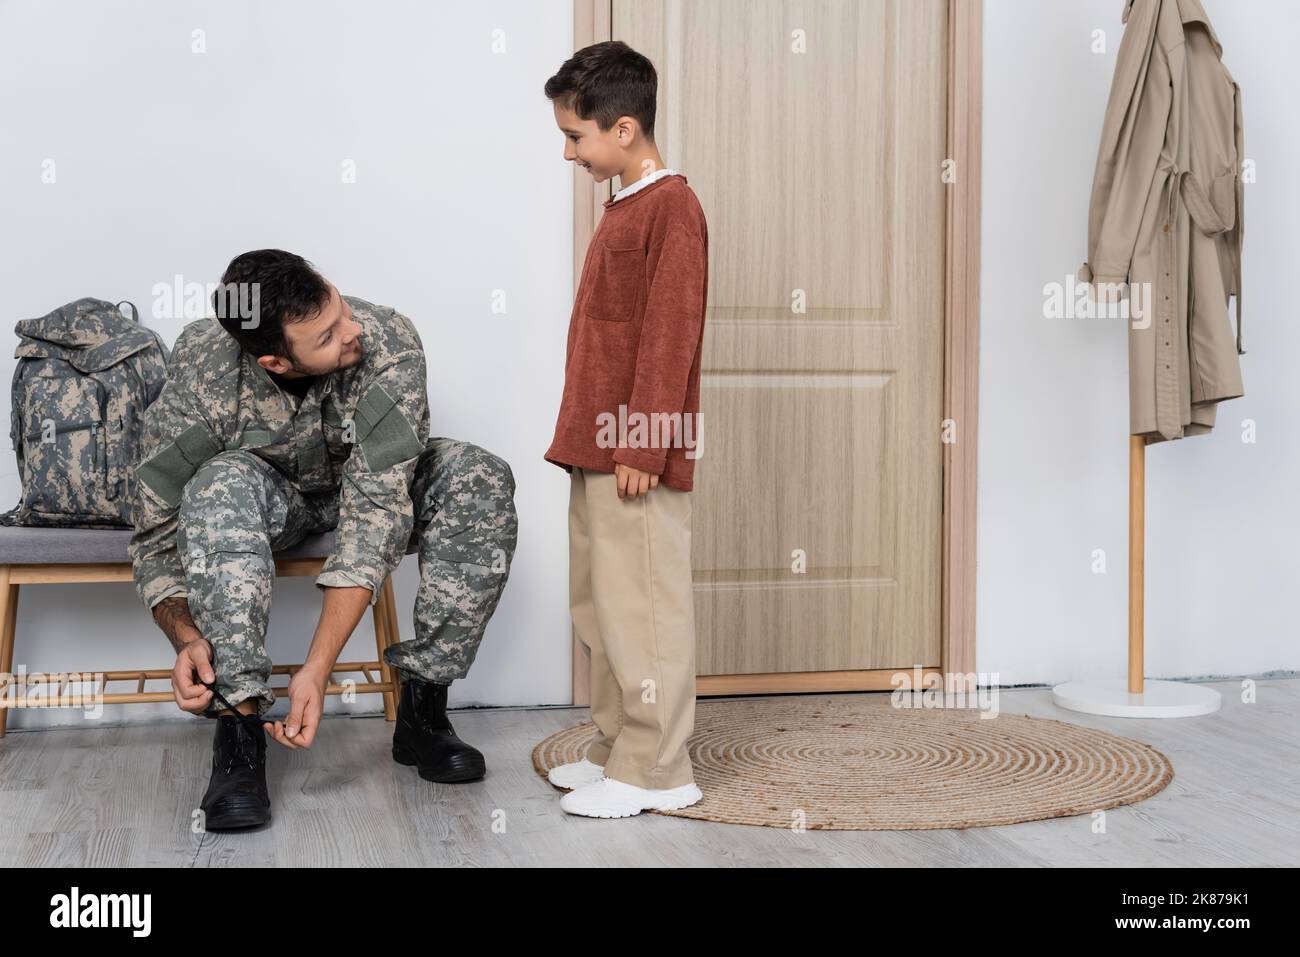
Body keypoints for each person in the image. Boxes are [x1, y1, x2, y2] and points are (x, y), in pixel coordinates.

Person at [128, 249, 518, 829]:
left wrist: (318, 669)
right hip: (269, 497)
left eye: (340, 309)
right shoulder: (202, 373)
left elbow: (377, 510)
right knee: (215, 484)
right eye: (328, 336)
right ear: (275, 362)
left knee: (477, 475)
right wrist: (184, 634)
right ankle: (239, 730)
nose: (351, 331)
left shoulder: (387, 341)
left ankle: (423, 713)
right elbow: (156, 526)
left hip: (364, 490)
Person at [541, 41, 711, 818]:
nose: (569, 151)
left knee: (644, 608)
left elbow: (669, 333)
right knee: (602, 607)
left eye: (576, 137)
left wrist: (645, 440)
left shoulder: (672, 207)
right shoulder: (624, 204)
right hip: (595, 445)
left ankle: (657, 768)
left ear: (625, 129)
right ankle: (616, 746)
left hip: (631, 449)